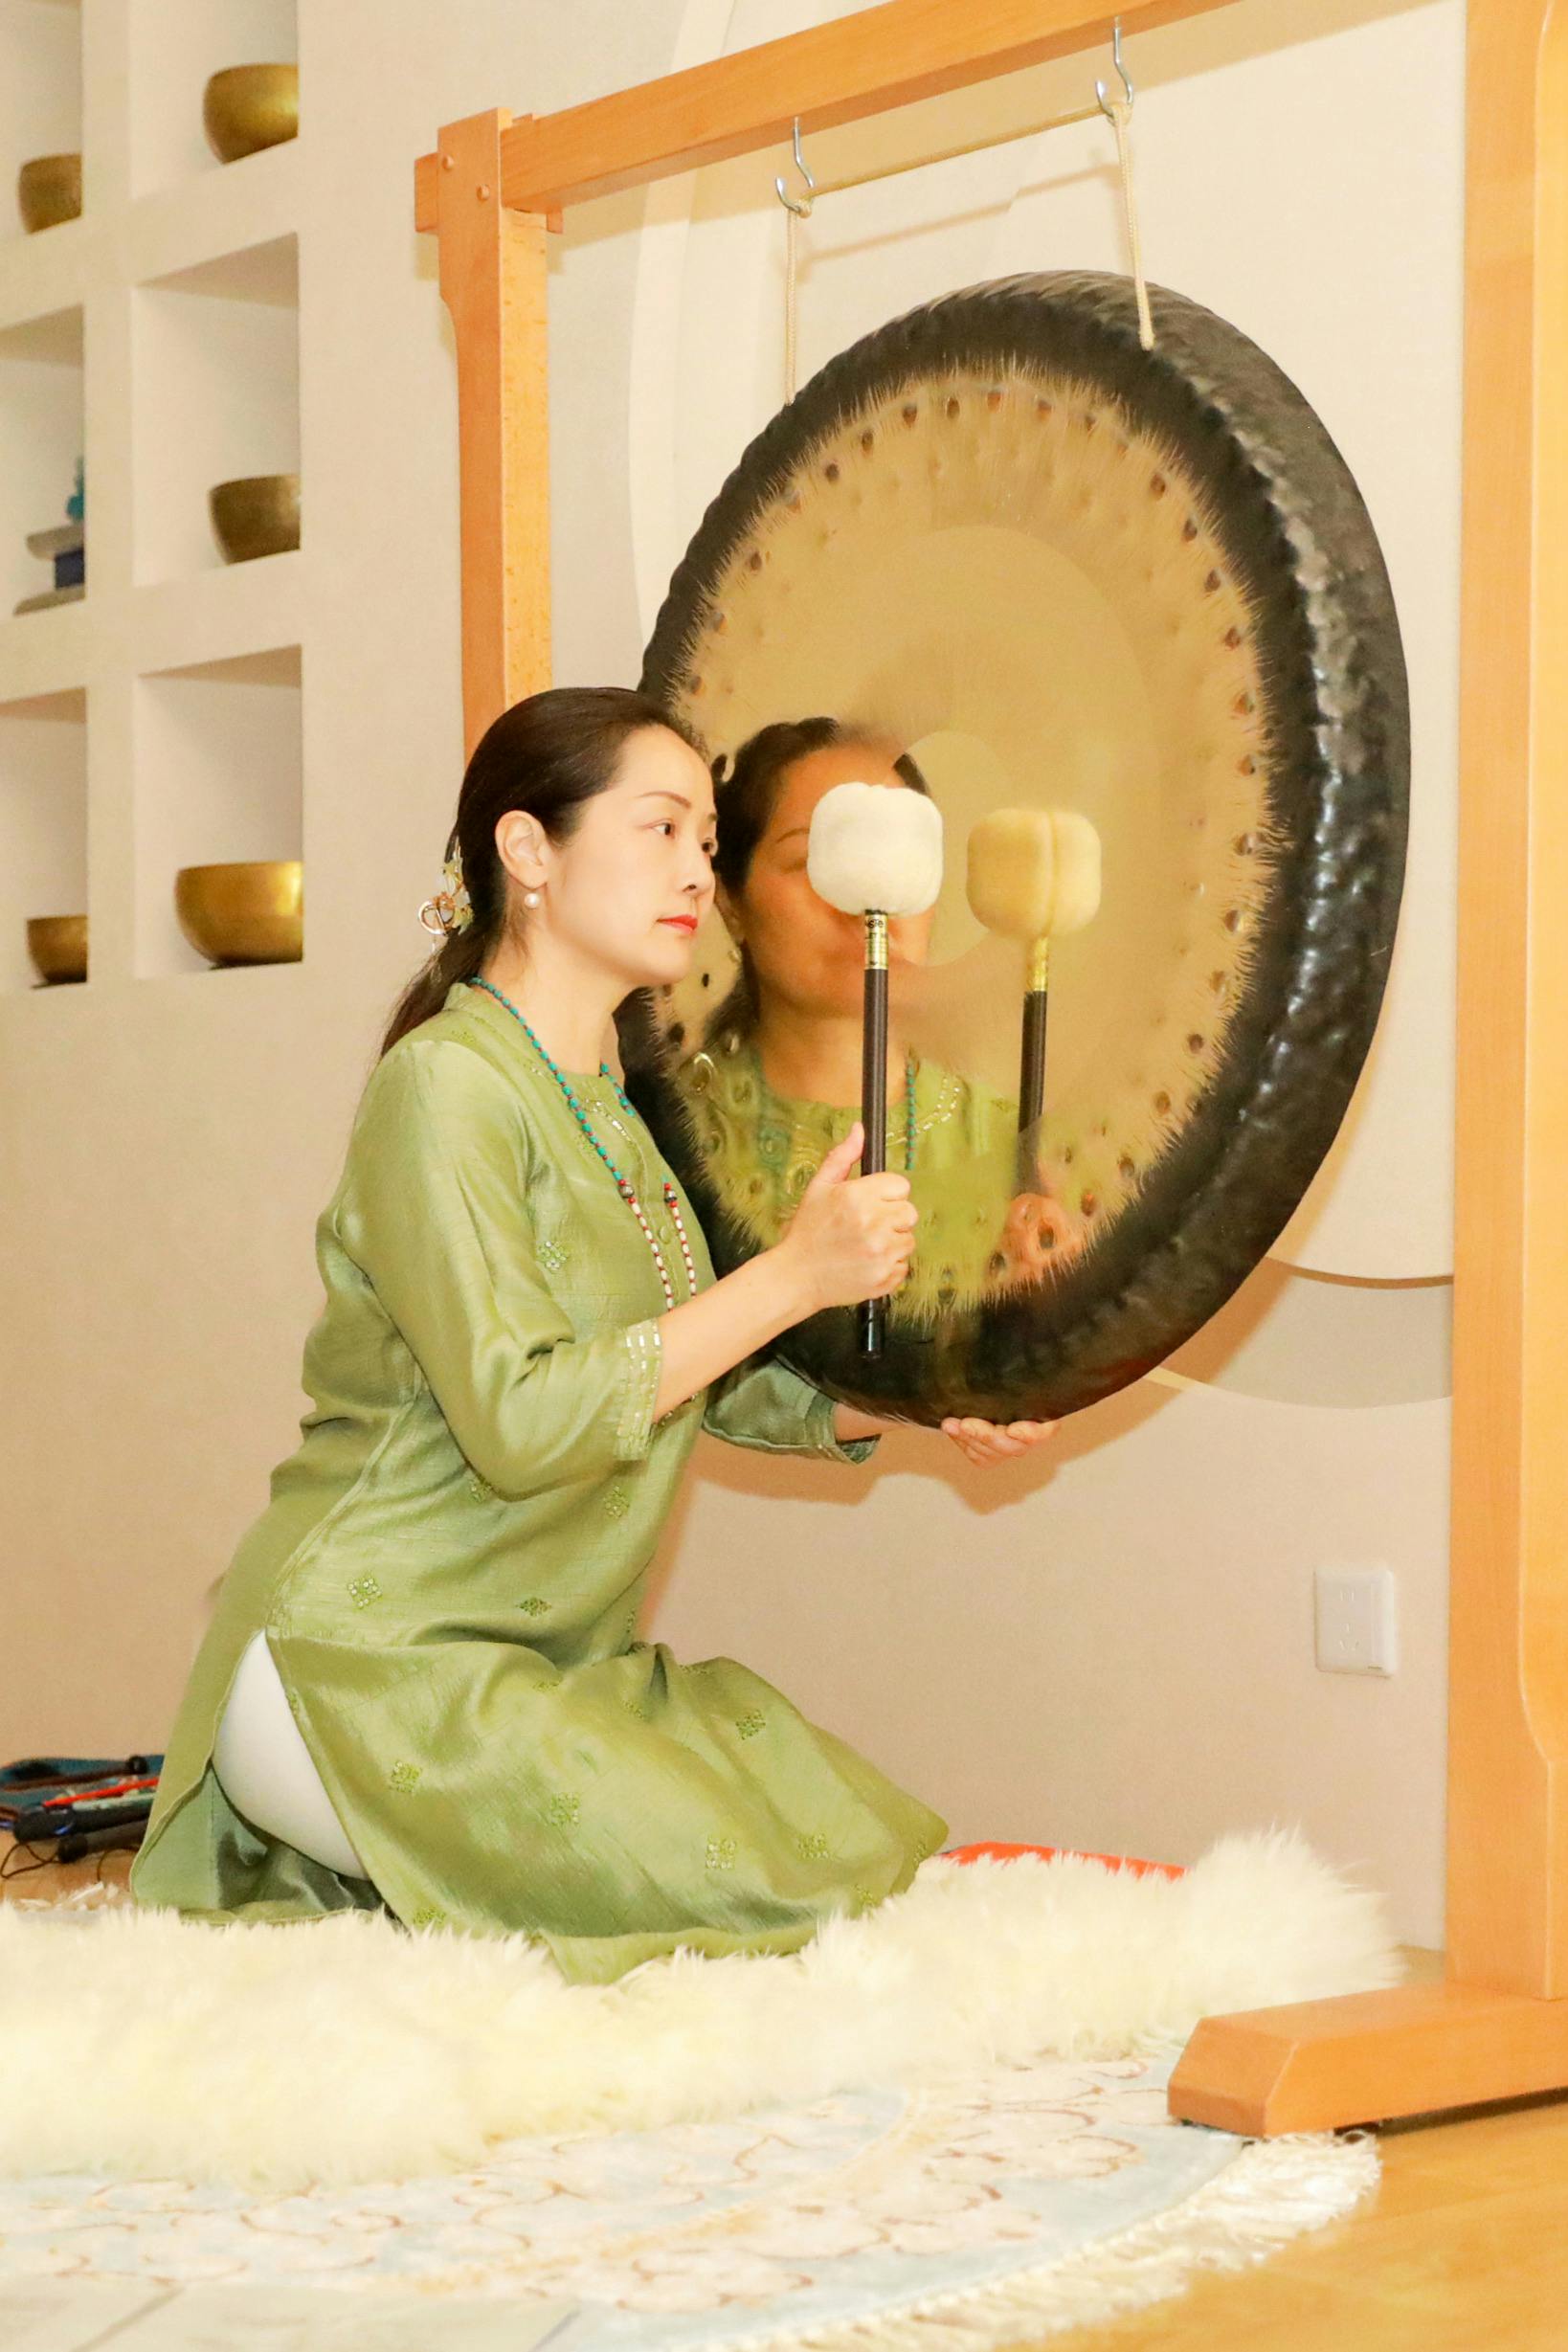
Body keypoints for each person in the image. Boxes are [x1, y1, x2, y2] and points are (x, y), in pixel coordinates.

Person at [128, 686, 1055, 1982]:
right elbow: (526, 1420)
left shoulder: (611, 1104)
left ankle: (417, 1898)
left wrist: (916, 1406)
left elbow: (705, 1382)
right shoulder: (443, 1090)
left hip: (543, 1664)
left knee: (823, 1823)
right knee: (731, 1885)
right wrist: (795, 1274)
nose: (696, 869)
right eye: (661, 829)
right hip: (362, 1664)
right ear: (528, 853)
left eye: (704, 840)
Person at [669, 716, 1081, 1322]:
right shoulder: (667, 1134)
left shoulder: (1018, 1150)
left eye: (897, 854)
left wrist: (1037, 1355)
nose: (861, 899)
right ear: (730, 902)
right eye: (815, 859)